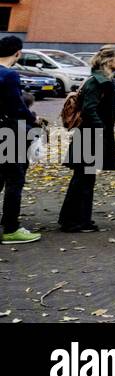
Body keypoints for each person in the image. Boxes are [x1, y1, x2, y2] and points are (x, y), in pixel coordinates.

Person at [58, 44, 115, 233]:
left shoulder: (99, 80)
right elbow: (89, 108)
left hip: (89, 135)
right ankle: (75, 221)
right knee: (83, 179)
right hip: (91, 136)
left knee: (84, 178)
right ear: (109, 61)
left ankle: (78, 219)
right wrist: (101, 128)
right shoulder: (98, 82)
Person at [1, 35, 45, 244]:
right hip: (8, 131)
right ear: (17, 53)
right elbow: (16, 105)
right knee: (14, 179)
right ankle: (11, 229)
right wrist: (33, 118)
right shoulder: (9, 75)